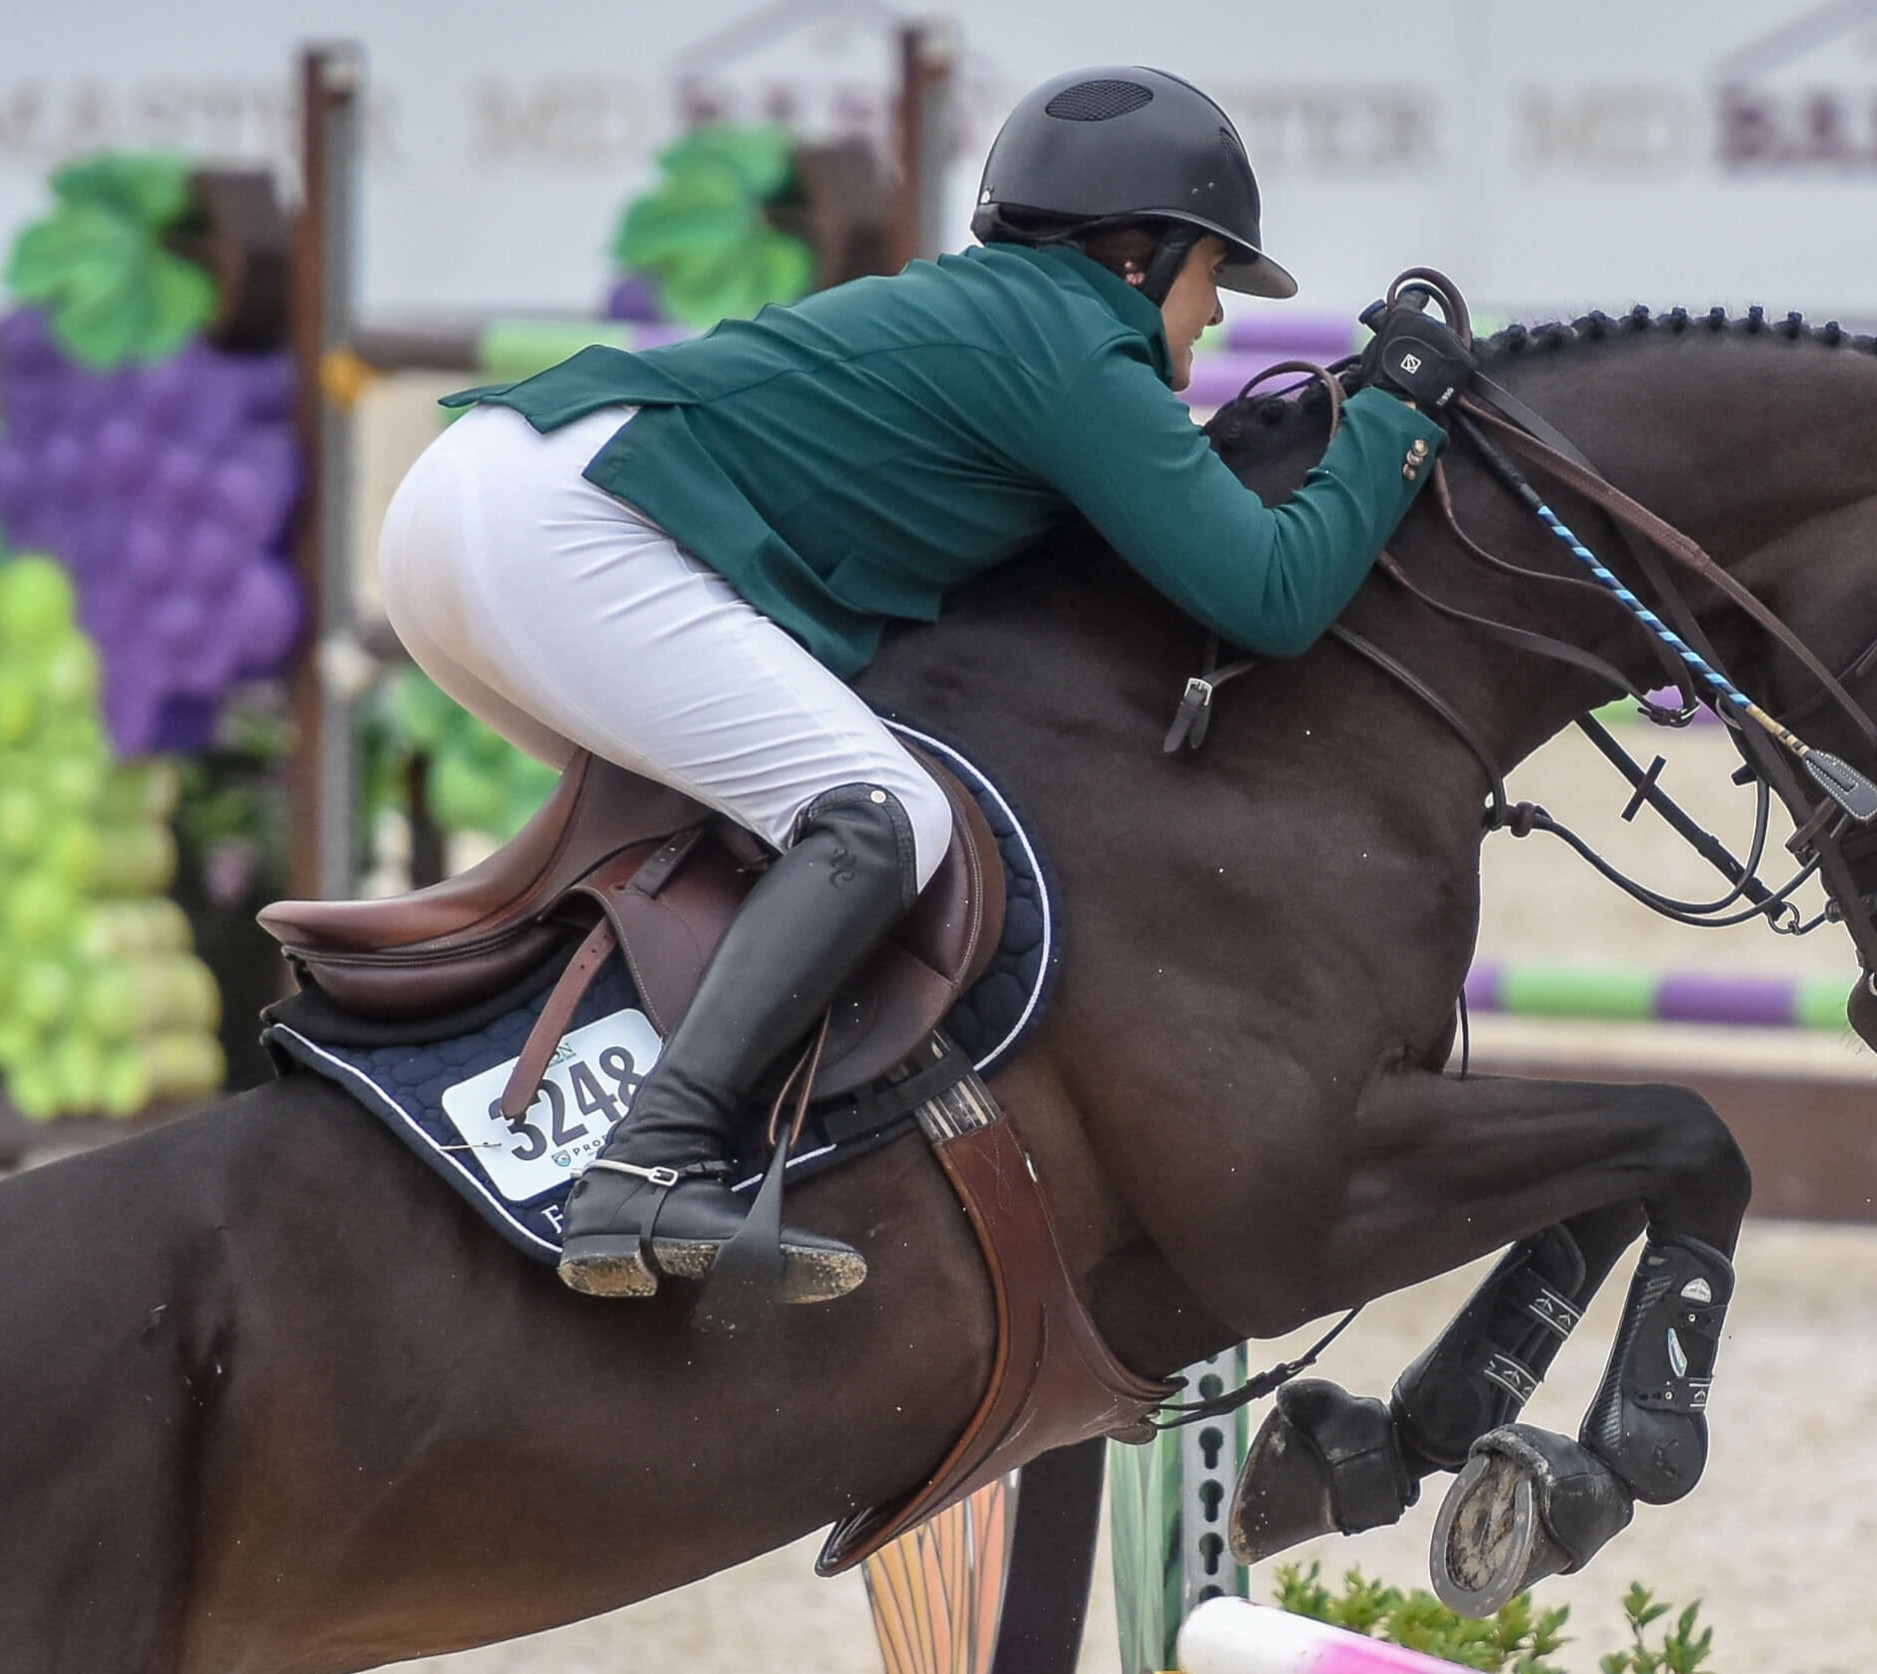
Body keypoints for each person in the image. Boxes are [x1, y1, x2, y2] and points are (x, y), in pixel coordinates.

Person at [375, 66, 1478, 1305]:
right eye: (1213, 275)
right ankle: (651, 1161)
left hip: (477, 510)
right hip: (563, 525)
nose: (1215, 317)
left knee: (750, 837)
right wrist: (1402, 417)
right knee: (881, 814)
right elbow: (1272, 595)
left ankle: (576, 1131)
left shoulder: (1009, 324)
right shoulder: (1072, 344)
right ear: (1138, 254)